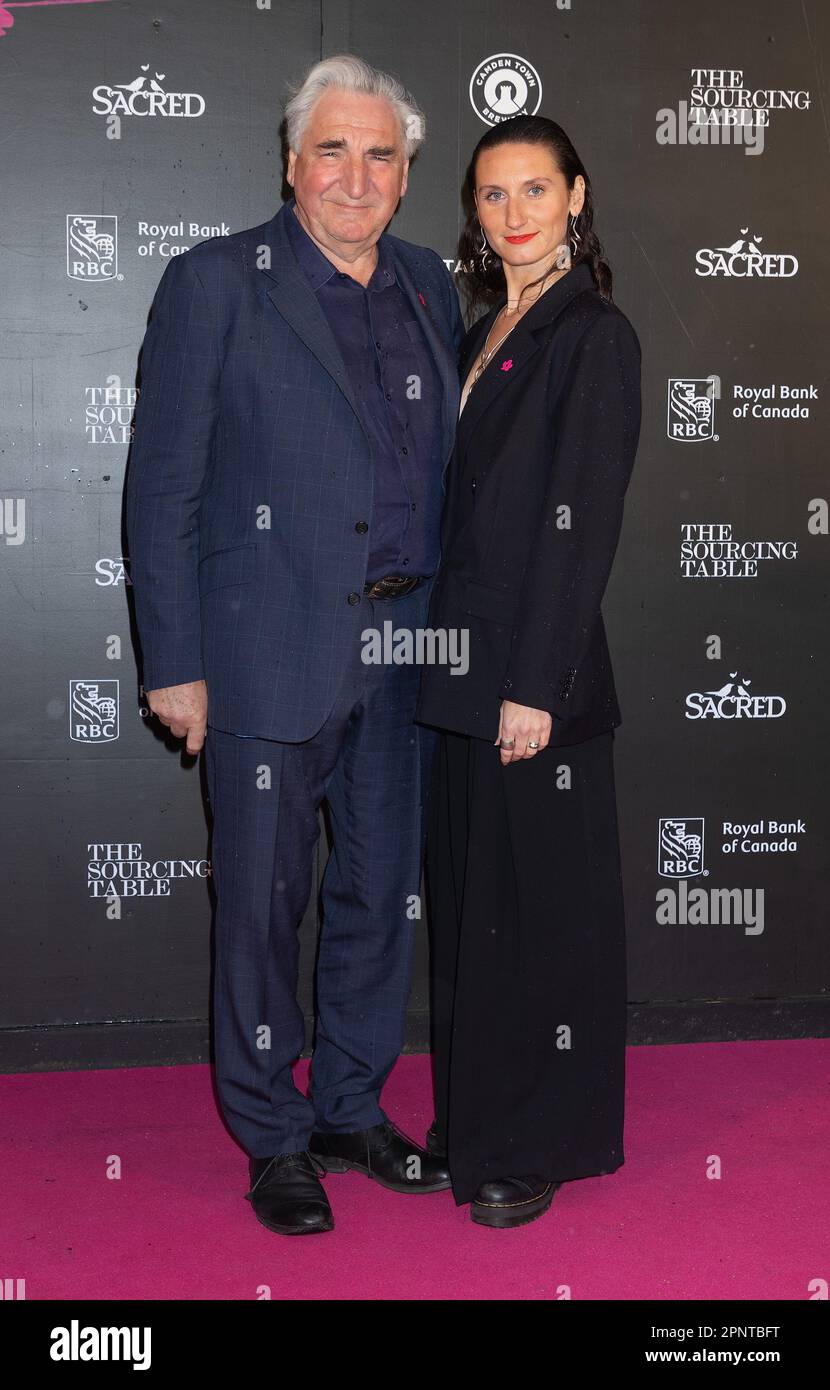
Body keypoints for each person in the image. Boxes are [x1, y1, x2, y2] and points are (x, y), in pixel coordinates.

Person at [125, 55, 464, 1236]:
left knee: (378, 891)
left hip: (408, 641)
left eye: (380, 155)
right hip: (264, 647)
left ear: (405, 174)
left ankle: (350, 1108)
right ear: (289, 163)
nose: (355, 177)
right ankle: (272, 1133)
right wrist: (174, 662)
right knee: (264, 907)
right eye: (332, 150)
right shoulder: (216, 282)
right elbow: (162, 486)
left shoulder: (428, 283)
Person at [416, 115, 642, 1228]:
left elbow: (579, 526)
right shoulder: (479, 330)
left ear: (576, 197)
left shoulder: (590, 333)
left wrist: (534, 685)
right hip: (460, 668)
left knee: (541, 917)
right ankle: (476, 1118)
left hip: (531, 680)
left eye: (535, 190)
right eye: (493, 194)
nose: (513, 213)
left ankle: (542, 1137)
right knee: (475, 914)